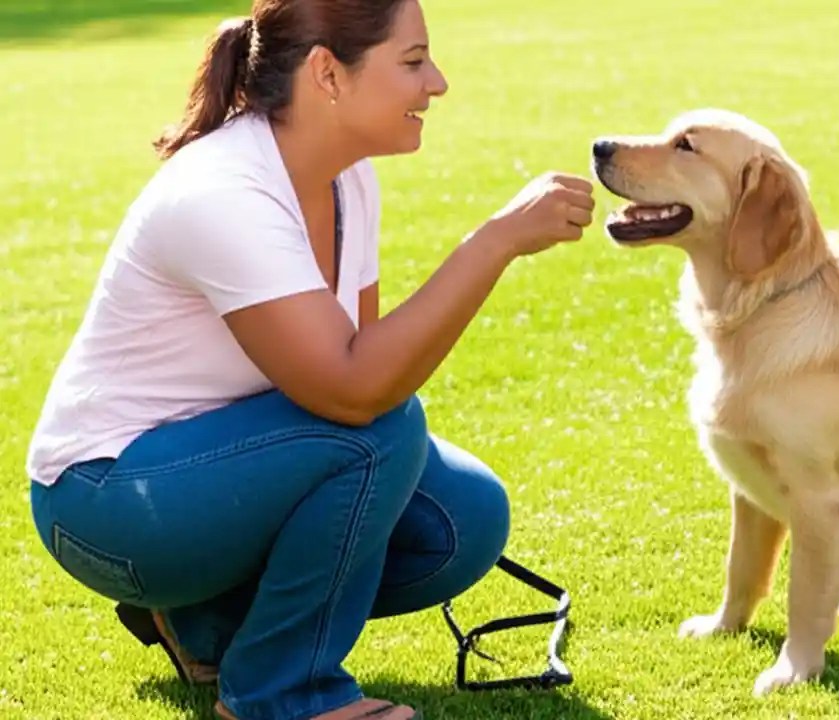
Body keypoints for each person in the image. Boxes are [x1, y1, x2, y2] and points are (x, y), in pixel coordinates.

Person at [24, 0, 595, 718]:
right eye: (413, 61)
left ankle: (204, 623)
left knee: (463, 519)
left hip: (212, 480)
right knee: (376, 434)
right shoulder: (224, 192)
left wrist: (492, 245)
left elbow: (365, 361)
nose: (438, 83)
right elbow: (355, 394)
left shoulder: (346, 177)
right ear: (328, 73)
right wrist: (494, 242)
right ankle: (283, 692)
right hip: (108, 501)